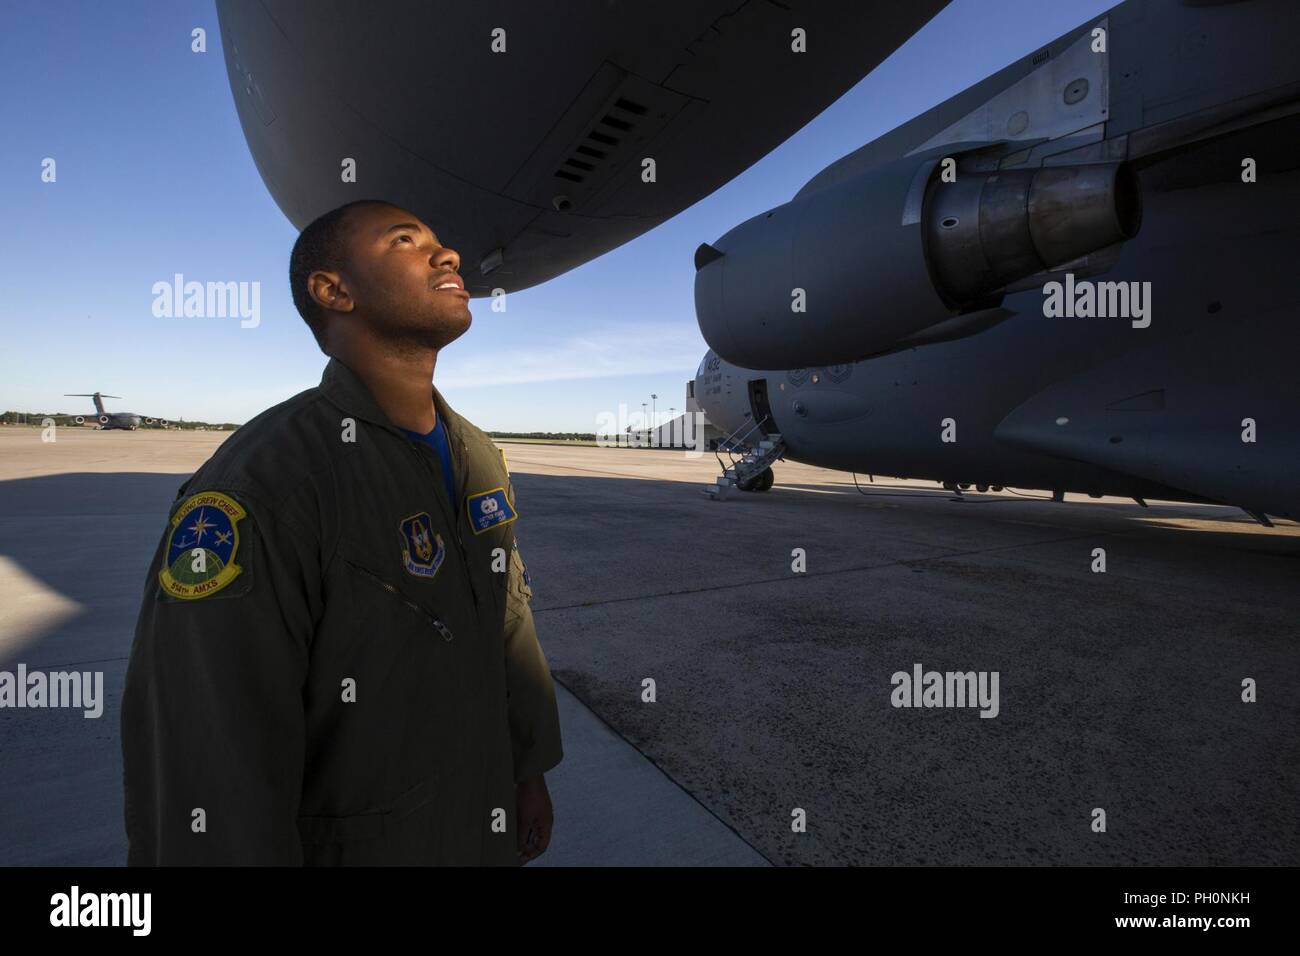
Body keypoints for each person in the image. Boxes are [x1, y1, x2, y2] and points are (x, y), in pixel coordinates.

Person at [121, 199, 563, 865]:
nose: (447, 255)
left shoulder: (479, 457)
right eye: (406, 242)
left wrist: (528, 773)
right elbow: (212, 741)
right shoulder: (266, 479)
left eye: (442, 241)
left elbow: (506, 624)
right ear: (334, 290)